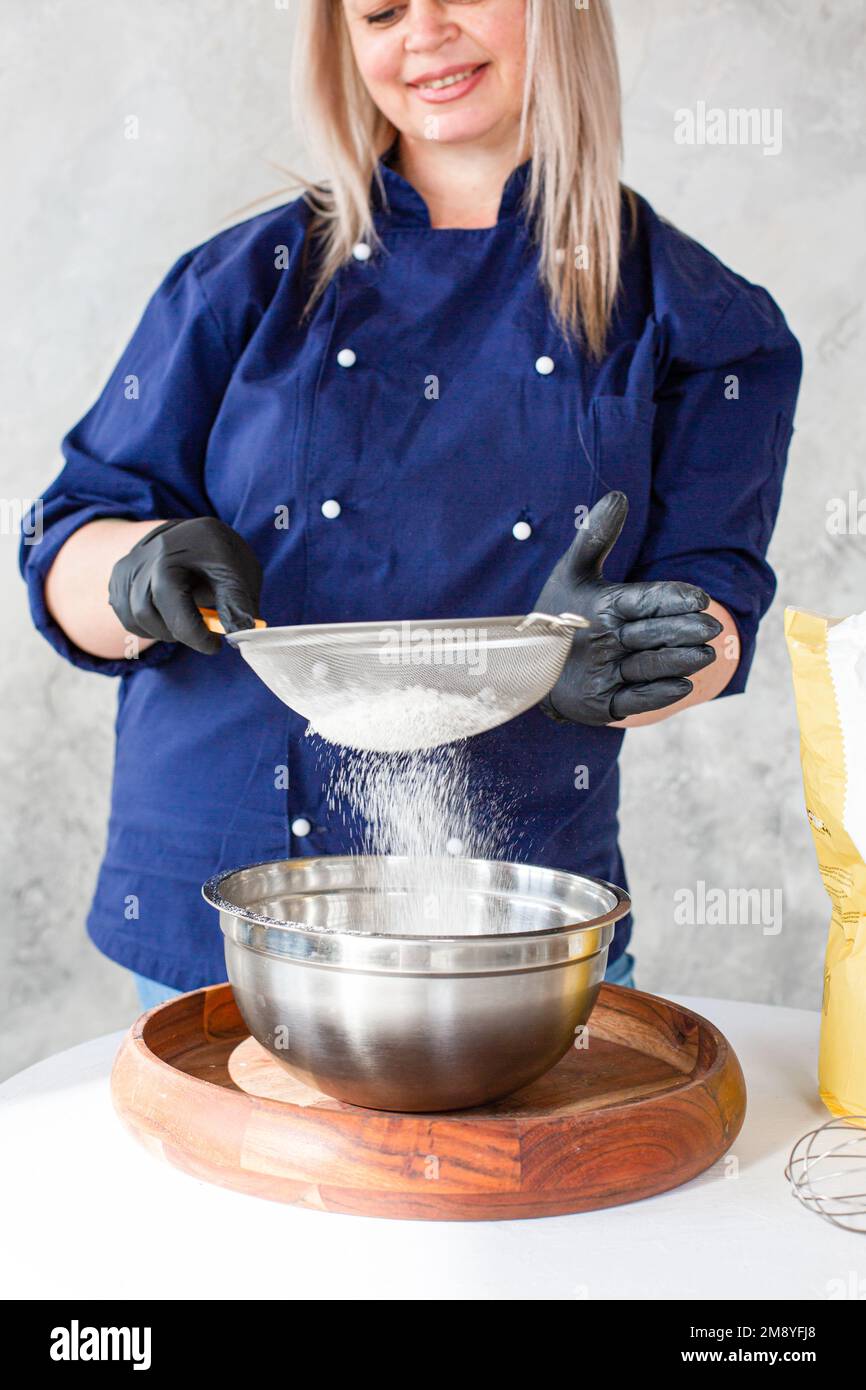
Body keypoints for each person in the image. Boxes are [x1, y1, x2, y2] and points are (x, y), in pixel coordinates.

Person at [20, 0, 802, 1009]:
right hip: (217, 902)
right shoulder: (242, 282)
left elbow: (715, 605)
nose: (420, 32)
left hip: (509, 914)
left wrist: (639, 659)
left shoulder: (698, 318)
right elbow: (65, 539)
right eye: (380, 10)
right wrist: (137, 567)